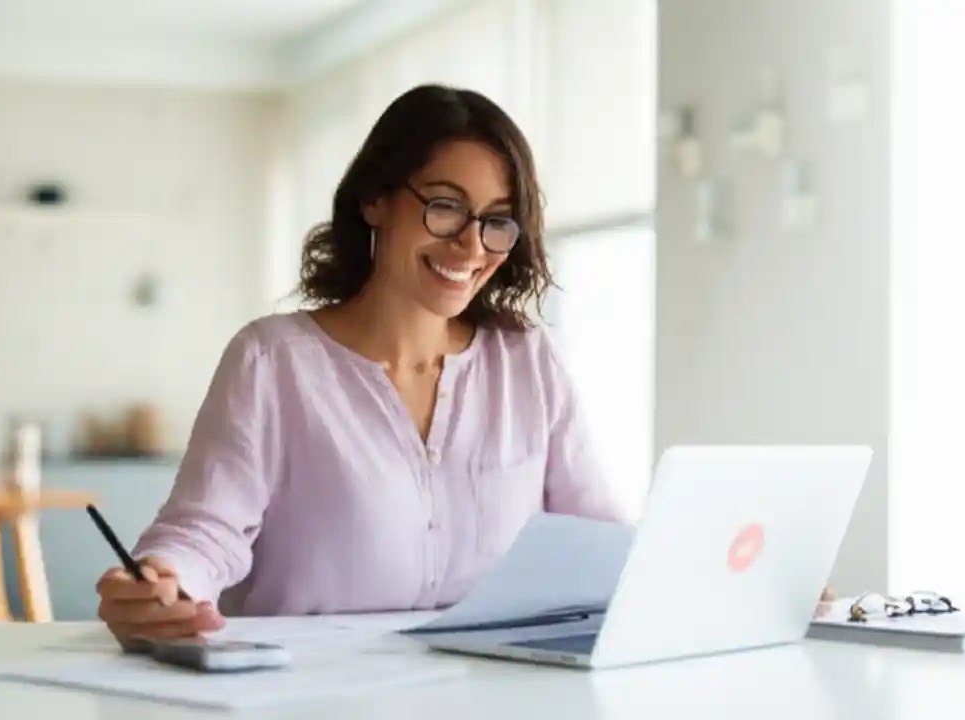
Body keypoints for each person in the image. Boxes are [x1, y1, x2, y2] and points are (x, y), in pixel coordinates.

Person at [95, 84, 628, 646]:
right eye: (445, 207)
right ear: (375, 198)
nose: (472, 247)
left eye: (497, 220)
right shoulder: (273, 361)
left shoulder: (528, 360)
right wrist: (163, 581)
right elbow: (204, 531)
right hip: (309, 692)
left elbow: (598, 540)